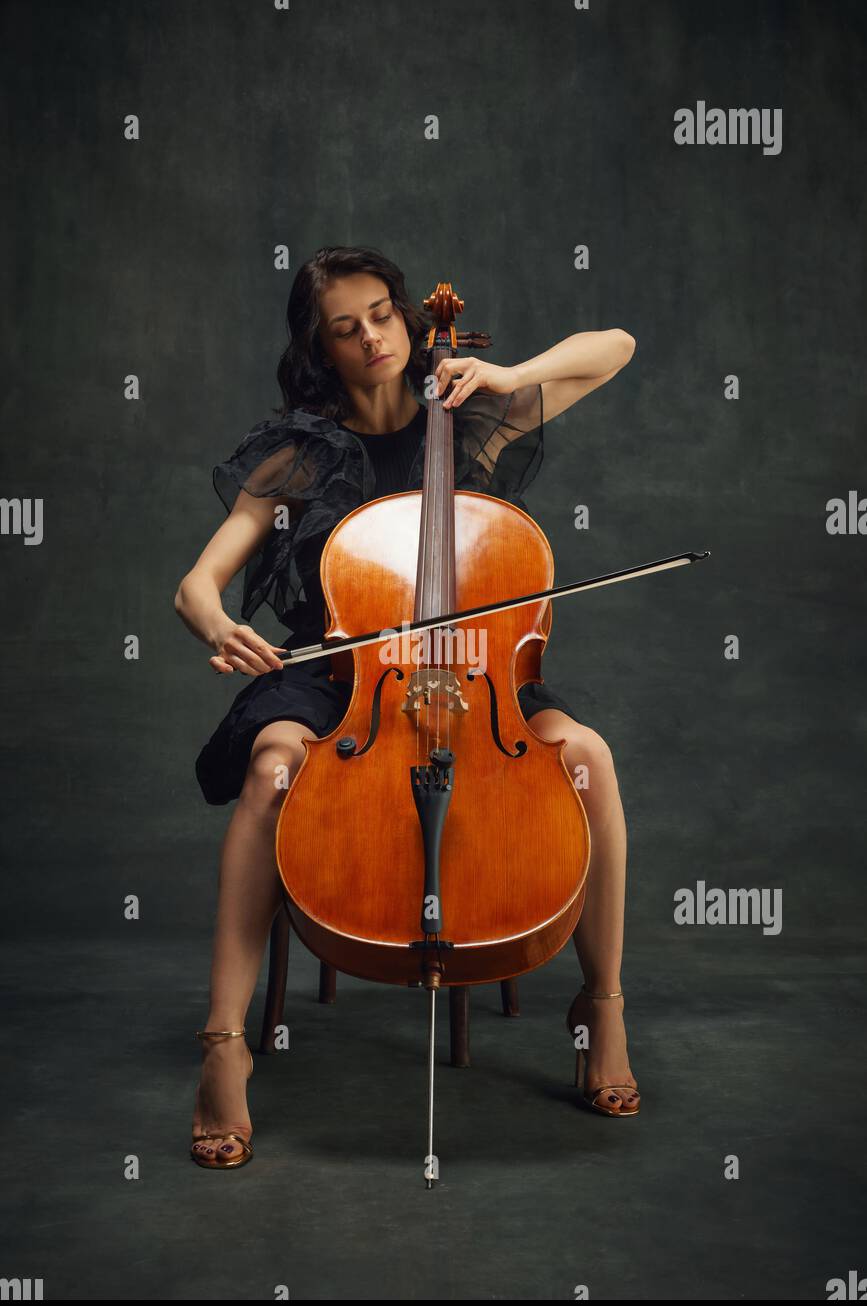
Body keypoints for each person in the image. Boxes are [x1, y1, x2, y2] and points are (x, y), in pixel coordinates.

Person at [174, 246, 640, 1170]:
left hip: (477, 675)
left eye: (382, 313)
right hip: (341, 677)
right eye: (346, 328)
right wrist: (212, 621)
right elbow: (198, 582)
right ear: (321, 348)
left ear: (406, 315)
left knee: (585, 755)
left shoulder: (475, 420)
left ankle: (603, 1006)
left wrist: (510, 373)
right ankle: (223, 1045)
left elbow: (615, 345)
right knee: (272, 768)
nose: (373, 337)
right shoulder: (299, 453)